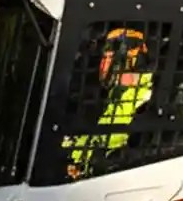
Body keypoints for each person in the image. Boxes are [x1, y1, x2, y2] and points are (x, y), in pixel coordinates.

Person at [62, 27, 154, 179]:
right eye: (103, 59)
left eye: (108, 59)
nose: (102, 67)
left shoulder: (143, 97)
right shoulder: (109, 94)